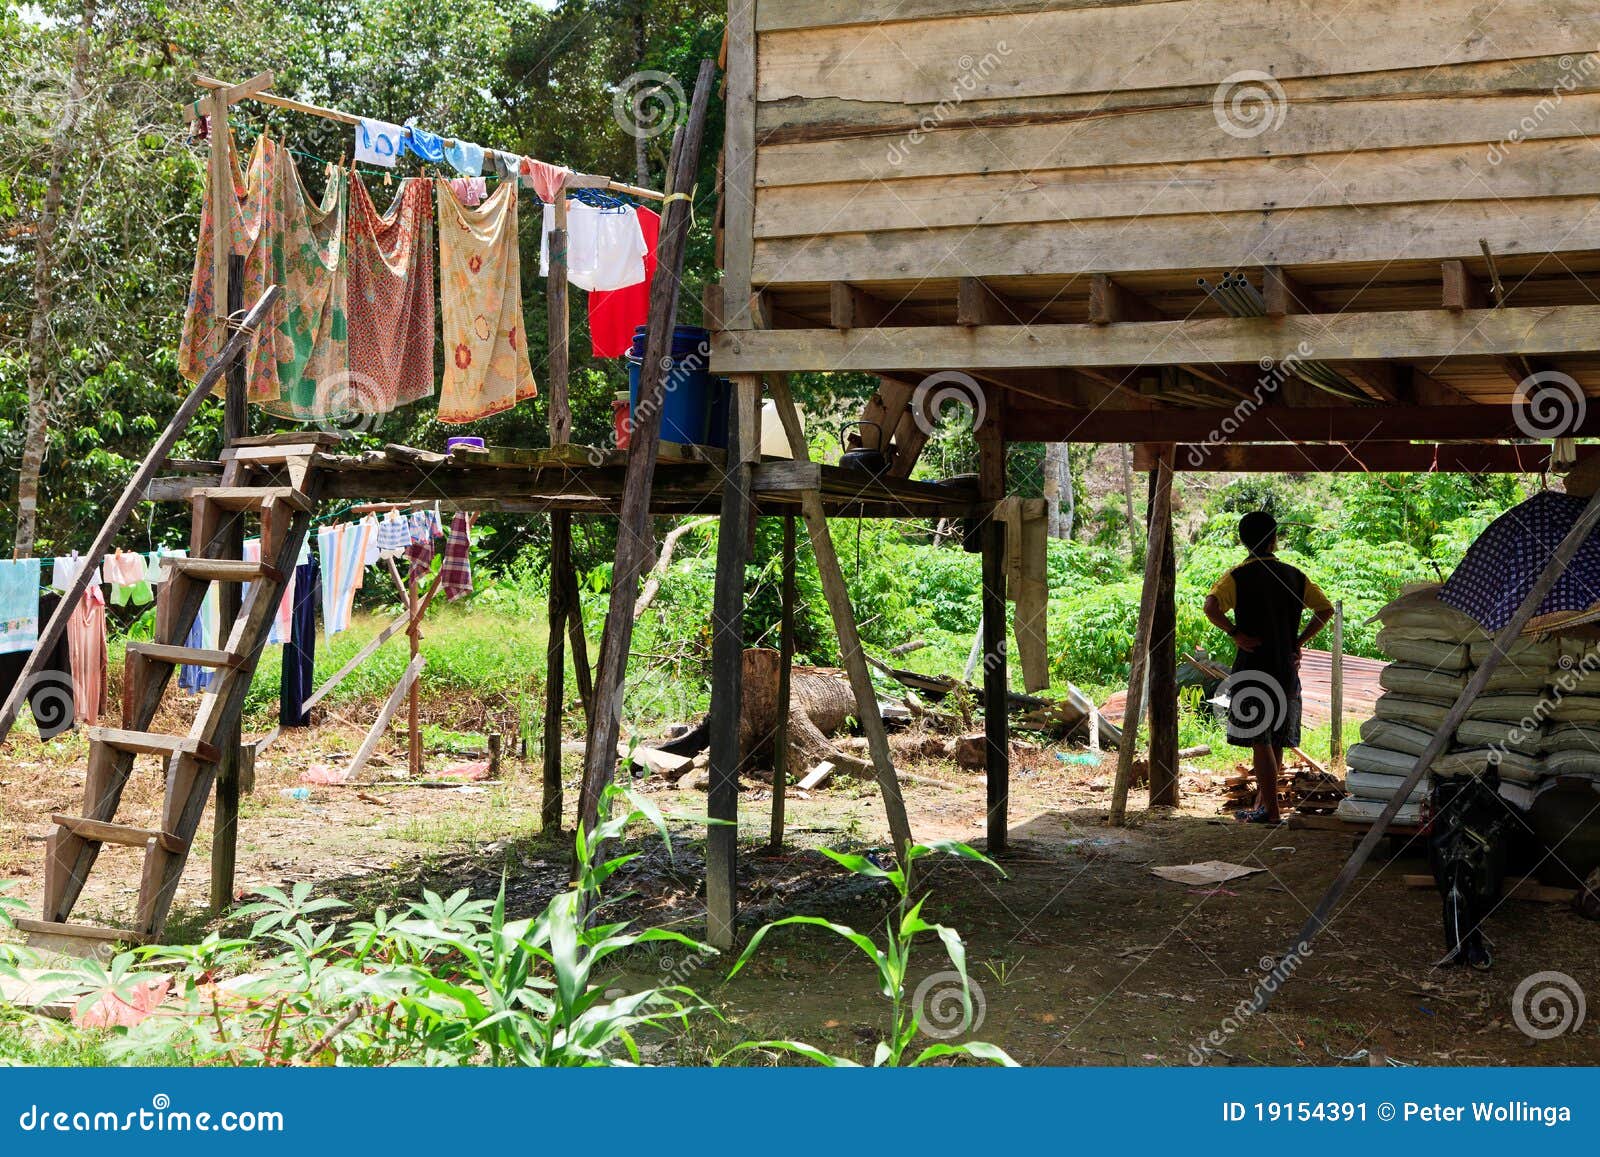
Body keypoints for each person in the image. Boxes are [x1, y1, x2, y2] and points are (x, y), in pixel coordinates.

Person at [1203, 511, 1334, 824]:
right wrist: (1298, 641)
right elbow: (1325, 609)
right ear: (1275, 539)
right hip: (1285, 667)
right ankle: (1266, 805)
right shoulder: (1295, 575)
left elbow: (1210, 607)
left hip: (1253, 664)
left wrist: (1236, 633)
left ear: (1243, 540)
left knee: (1259, 738)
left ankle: (1271, 812)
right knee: (1275, 737)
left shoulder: (1236, 576)